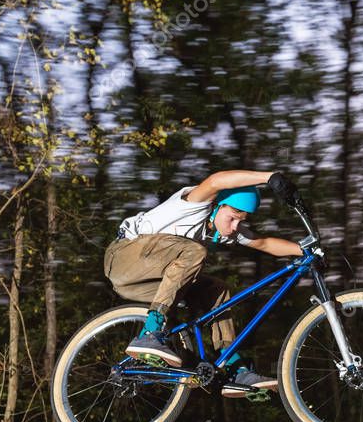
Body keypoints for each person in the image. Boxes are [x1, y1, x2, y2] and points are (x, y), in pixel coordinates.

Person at [103, 170, 303, 397]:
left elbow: (264, 243)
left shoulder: (223, 230)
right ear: (217, 205)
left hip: (145, 282)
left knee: (217, 290)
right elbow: (216, 181)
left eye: (242, 220)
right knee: (195, 251)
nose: (236, 225)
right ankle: (151, 331)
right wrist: (268, 177)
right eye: (233, 216)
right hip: (122, 258)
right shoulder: (194, 205)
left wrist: (307, 249)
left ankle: (232, 364)